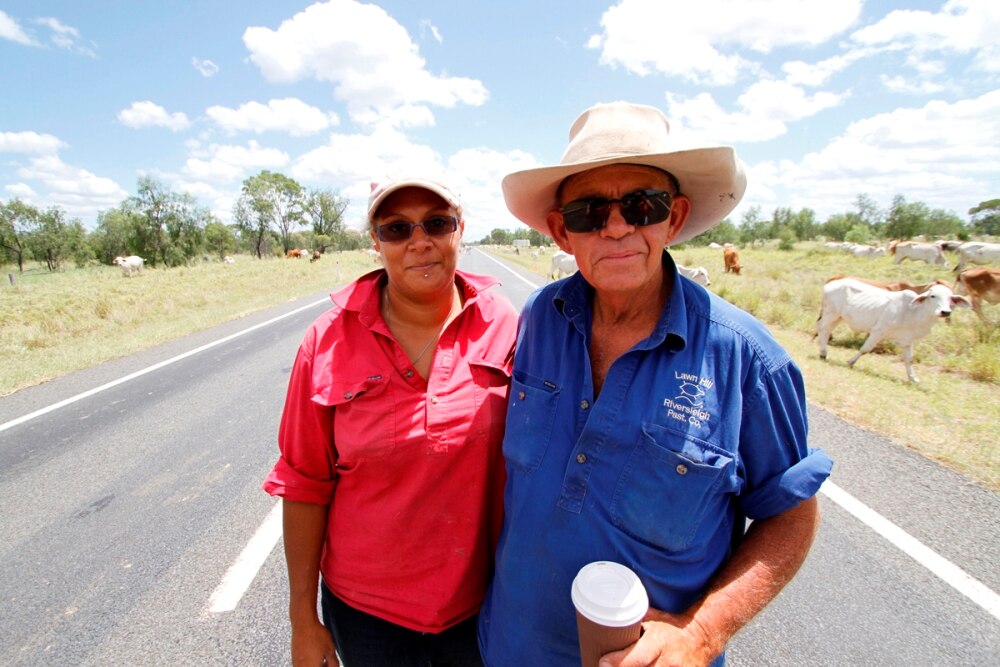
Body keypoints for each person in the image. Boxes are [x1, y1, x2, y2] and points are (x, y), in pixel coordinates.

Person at [477, 102, 833, 666]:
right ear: (561, 231)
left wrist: (702, 632)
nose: (617, 227)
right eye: (590, 211)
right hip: (509, 648)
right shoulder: (542, 316)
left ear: (675, 217)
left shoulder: (748, 360)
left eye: (643, 205)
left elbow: (790, 512)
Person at [264, 176, 517, 666]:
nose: (419, 241)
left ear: (459, 230)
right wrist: (302, 618)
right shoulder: (327, 340)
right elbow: (303, 483)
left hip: (482, 603)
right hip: (366, 615)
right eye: (397, 228)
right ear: (375, 241)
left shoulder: (502, 323)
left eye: (436, 223)